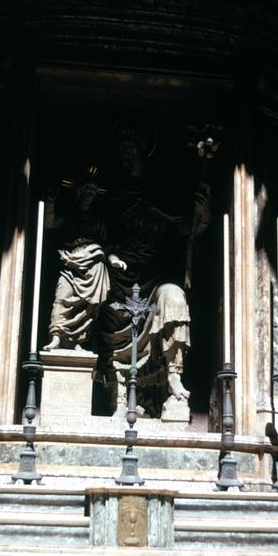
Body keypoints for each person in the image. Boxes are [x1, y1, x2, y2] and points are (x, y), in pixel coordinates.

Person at [96, 120, 210, 417]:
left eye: (131, 147)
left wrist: (202, 208)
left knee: (174, 297)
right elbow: (96, 234)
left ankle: (174, 375)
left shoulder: (159, 194)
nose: (126, 154)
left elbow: (185, 229)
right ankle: (117, 389)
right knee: (100, 295)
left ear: (143, 151)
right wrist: (108, 257)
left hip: (153, 280)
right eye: (121, 149)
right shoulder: (112, 197)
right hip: (117, 280)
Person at [43, 168, 111, 352]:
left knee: (87, 307)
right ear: (79, 192)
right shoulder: (69, 216)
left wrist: (113, 259)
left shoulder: (98, 221)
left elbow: (108, 245)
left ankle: (79, 340)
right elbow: (48, 224)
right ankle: (57, 336)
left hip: (93, 267)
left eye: (93, 193)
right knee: (61, 297)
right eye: (86, 191)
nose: (90, 195)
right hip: (71, 264)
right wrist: (50, 201)